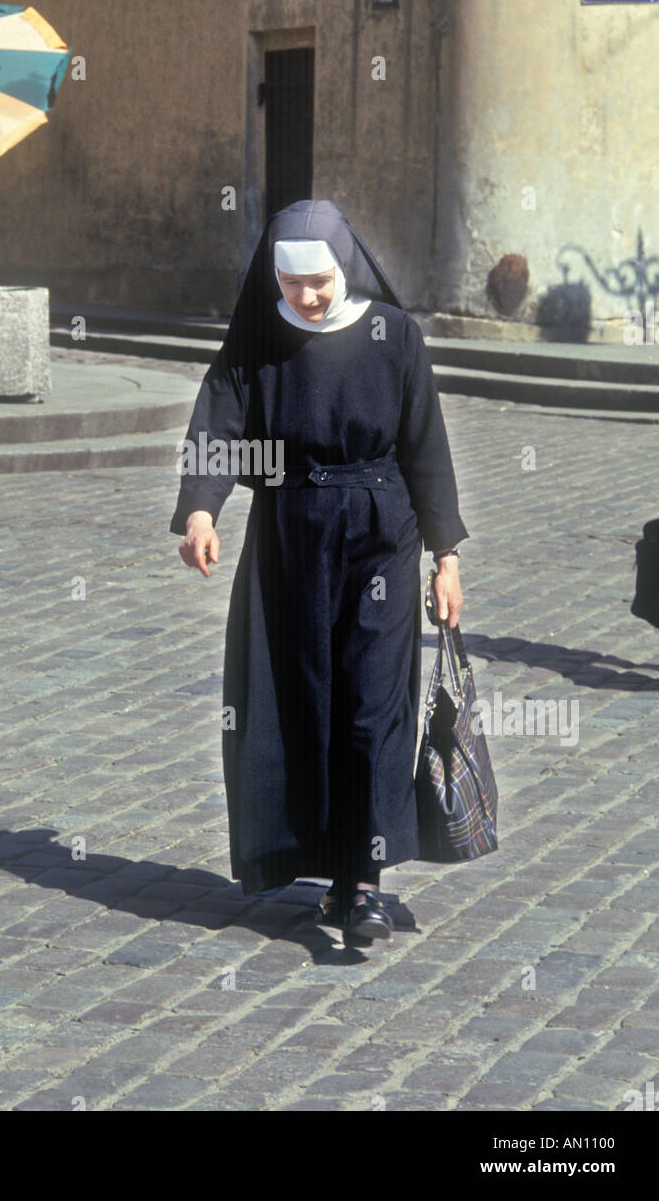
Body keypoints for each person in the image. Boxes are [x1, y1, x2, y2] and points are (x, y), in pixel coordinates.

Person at [170, 199, 468, 948]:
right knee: (301, 698)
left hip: (380, 533)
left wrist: (447, 558)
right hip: (289, 533)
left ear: (346, 267)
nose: (308, 296)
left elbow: (426, 450)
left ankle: (363, 883)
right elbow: (220, 419)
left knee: (371, 703)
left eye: (320, 279)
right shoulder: (260, 334)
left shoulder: (392, 334)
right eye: (293, 281)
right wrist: (202, 512)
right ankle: (321, 866)